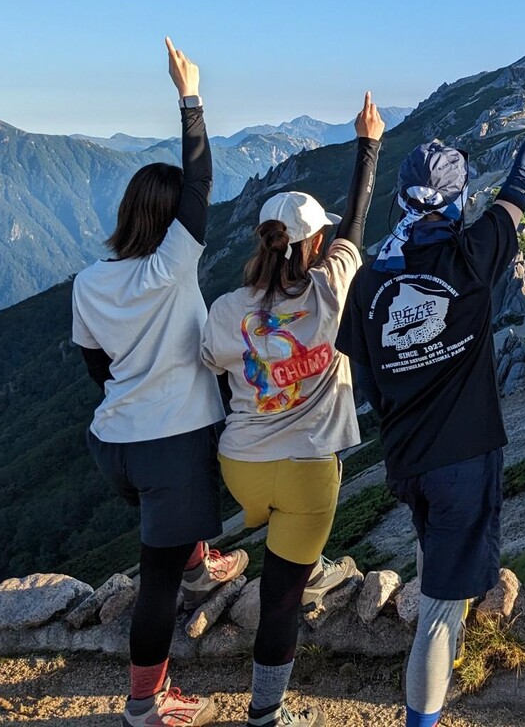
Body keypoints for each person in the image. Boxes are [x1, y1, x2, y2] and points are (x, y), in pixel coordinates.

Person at [337, 32, 525, 727]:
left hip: (407, 461)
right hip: (464, 461)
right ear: (454, 202)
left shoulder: (369, 280)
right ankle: (422, 719)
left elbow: (362, 376)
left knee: (435, 577)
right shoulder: (475, 255)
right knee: (441, 614)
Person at [73, 38, 247, 727]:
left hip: (113, 442)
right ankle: (145, 703)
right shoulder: (172, 267)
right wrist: (191, 94)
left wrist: (136, 389)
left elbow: (97, 367)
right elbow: (200, 184)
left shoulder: (89, 281)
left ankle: (202, 559)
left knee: (173, 542)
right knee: (156, 583)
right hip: (172, 447)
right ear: (168, 221)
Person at [200, 93, 383, 727]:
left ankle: (265, 555)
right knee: (280, 597)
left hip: (240, 465)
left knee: (275, 540)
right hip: (308, 472)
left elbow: (212, 364)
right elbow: (356, 227)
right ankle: (265, 713)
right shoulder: (333, 287)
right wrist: (369, 145)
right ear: (317, 242)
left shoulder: (228, 309)